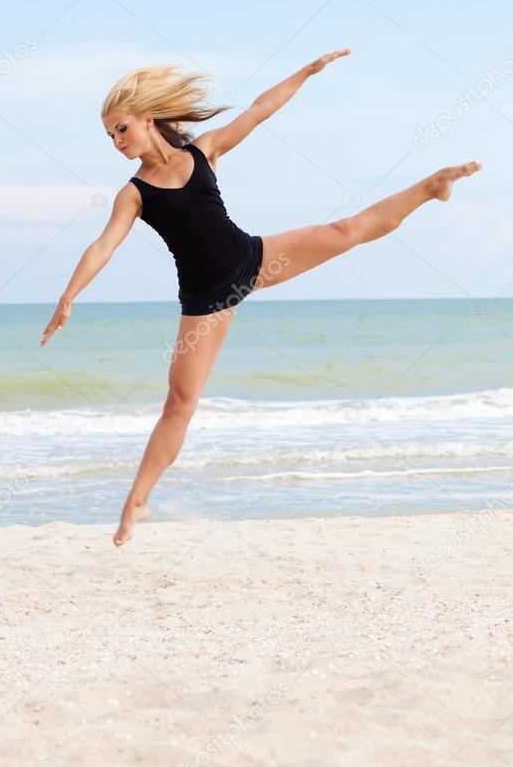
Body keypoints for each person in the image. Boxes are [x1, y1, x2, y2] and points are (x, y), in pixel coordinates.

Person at [40, 50, 483, 546]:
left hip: (253, 261)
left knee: (347, 229)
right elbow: (104, 245)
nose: (116, 142)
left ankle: (430, 185)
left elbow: (258, 110)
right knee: (180, 402)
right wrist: (68, 295)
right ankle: (137, 502)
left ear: (148, 120)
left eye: (121, 129)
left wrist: (307, 72)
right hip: (207, 299)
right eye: (110, 136)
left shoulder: (203, 152)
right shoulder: (135, 193)